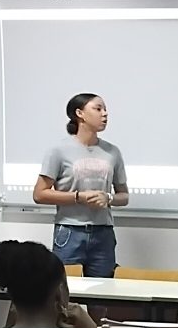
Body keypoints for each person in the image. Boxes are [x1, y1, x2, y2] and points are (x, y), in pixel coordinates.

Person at [34, 92, 128, 277]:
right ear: (80, 114)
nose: (105, 114)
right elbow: (39, 194)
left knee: (102, 297)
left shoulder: (112, 152)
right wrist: (78, 197)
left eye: (105, 109)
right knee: (66, 296)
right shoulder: (58, 150)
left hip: (103, 232)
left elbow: (124, 196)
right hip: (69, 231)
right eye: (98, 108)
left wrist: (108, 198)